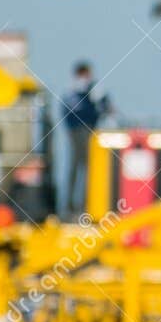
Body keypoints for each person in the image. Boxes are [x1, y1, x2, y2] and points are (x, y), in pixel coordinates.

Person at [60, 62, 111, 217]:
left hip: (89, 131)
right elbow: (70, 113)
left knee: (87, 168)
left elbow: (104, 107)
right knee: (78, 167)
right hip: (78, 132)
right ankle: (72, 206)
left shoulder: (94, 89)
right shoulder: (71, 91)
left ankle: (86, 205)